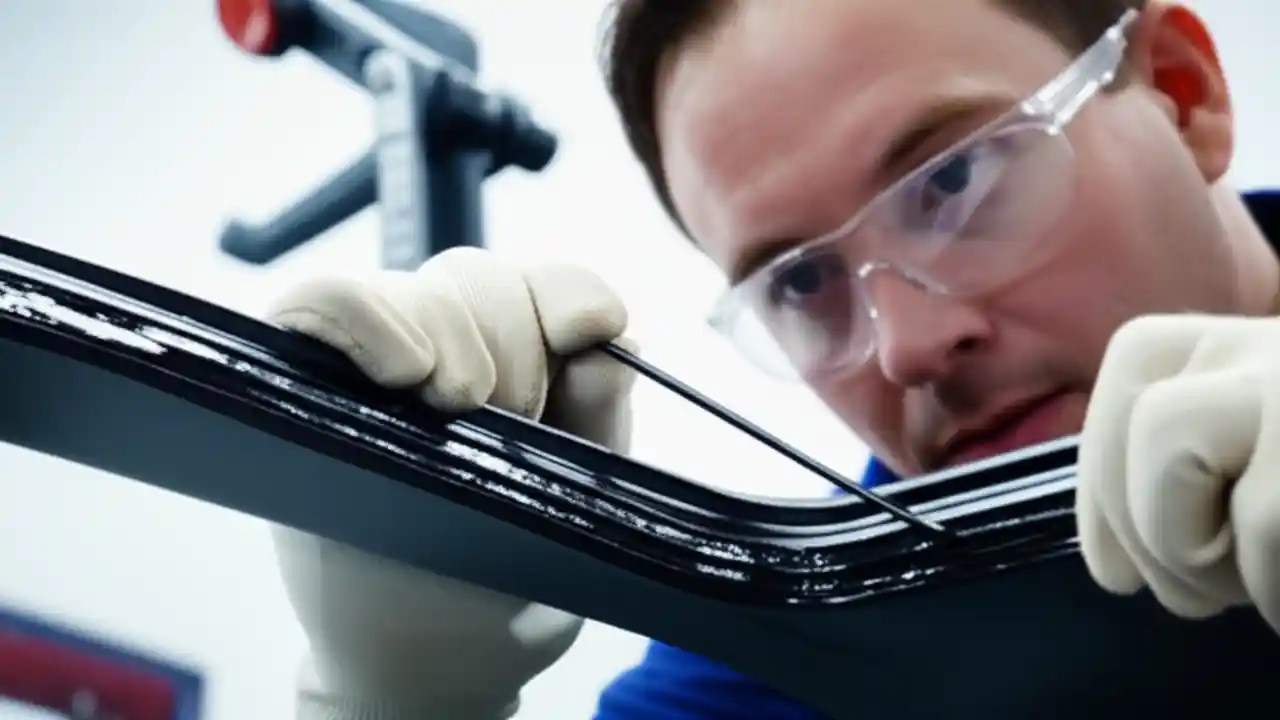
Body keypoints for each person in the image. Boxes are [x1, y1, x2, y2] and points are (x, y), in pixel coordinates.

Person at [262, 0, 1280, 717]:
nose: (912, 349)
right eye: (800, 283)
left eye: (956, 179)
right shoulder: (798, 662)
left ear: (1181, 95)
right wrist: (391, 703)